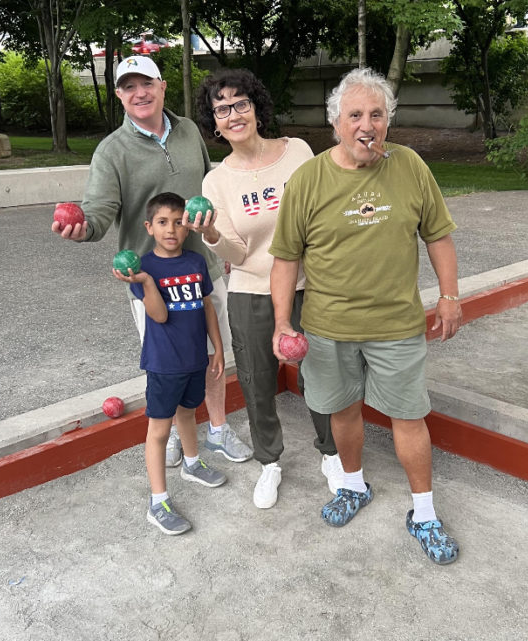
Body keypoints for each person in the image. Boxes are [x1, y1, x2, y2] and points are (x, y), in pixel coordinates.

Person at [269, 67, 463, 564]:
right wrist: (283, 322)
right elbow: (286, 257)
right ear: (336, 123)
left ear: (388, 121)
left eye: (376, 114)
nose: (366, 124)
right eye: (355, 114)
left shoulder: (411, 166)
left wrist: (449, 296)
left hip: (396, 324)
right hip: (329, 327)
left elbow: (437, 235)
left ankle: (424, 513)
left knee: (409, 416)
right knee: (342, 412)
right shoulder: (309, 178)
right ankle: (353, 486)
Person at [50, 55, 252, 467]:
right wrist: (83, 227)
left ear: (162, 88)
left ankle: (216, 428)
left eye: (147, 84)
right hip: (152, 278)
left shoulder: (190, 130)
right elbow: (100, 210)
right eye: (128, 87)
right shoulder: (112, 151)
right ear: (121, 96)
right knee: (167, 363)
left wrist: (222, 242)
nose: (139, 93)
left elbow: (210, 189)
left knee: (215, 352)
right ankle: (179, 431)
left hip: (204, 267)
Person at [188, 68, 342, 509]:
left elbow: (323, 214)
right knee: (257, 382)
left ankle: (331, 452)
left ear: (256, 108)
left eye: (241, 104)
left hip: (309, 285)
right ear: (214, 123)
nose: (233, 114)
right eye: (222, 109)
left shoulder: (297, 152)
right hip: (251, 290)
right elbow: (237, 253)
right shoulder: (216, 181)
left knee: (322, 373)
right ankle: (269, 462)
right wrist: (213, 236)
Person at [113, 192, 227, 535]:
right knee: (160, 431)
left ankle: (192, 463)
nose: (171, 229)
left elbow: (207, 307)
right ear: (149, 227)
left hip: (194, 359)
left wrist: (217, 349)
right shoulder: (143, 269)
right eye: (162, 222)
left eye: (179, 221)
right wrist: (146, 283)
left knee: (190, 414)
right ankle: (158, 500)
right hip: (164, 364)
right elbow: (159, 316)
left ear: (188, 226)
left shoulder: (195, 262)